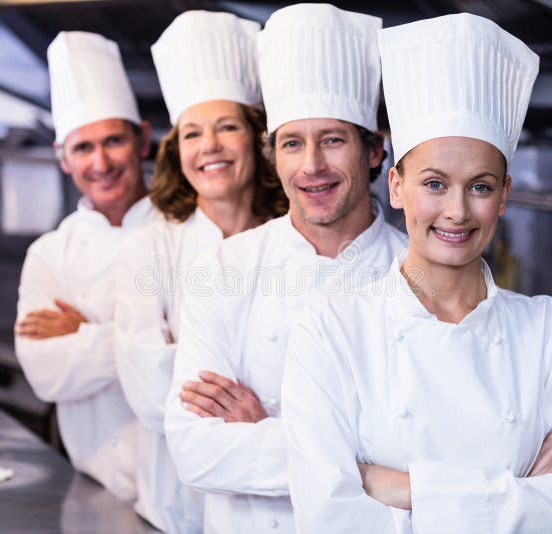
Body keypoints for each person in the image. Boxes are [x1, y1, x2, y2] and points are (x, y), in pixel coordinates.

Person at [282, 13, 552, 533]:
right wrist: (522, 494)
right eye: (435, 184)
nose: (458, 212)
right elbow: (328, 516)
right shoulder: (330, 330)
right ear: (396, 187)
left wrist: (404, 489)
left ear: (505, 195)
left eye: (480, 187)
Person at [163, 4, 407, 533]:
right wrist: (368, 467)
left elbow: (429, 451)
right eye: (293, 143)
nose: (312, 166)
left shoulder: (418, 276)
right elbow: (195, 451)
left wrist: (264, 433)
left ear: (374, 151)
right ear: (273, 155)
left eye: (333, 139)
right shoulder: (223, 268)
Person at [113, 11, 287, 532]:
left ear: (257, 140)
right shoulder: (149, 246)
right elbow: (148, 392)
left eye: (227, 127)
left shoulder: (293, 242)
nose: (208, 145)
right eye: (191, 133)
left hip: (279, 507)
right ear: (177, 151)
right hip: (173, 508)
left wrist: (185, 352)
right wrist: (264, 397)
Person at [15, 31, 158, 504]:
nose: (101, 162)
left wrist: (85, 334)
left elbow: (198, 357)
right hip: (93, 487)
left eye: (113, 140)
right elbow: (44, 374)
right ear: (63, 157)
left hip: (184, 496)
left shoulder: (187, 233)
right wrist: (145, 342)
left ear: (140, 139)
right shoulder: (49, 254)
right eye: (83, 148)